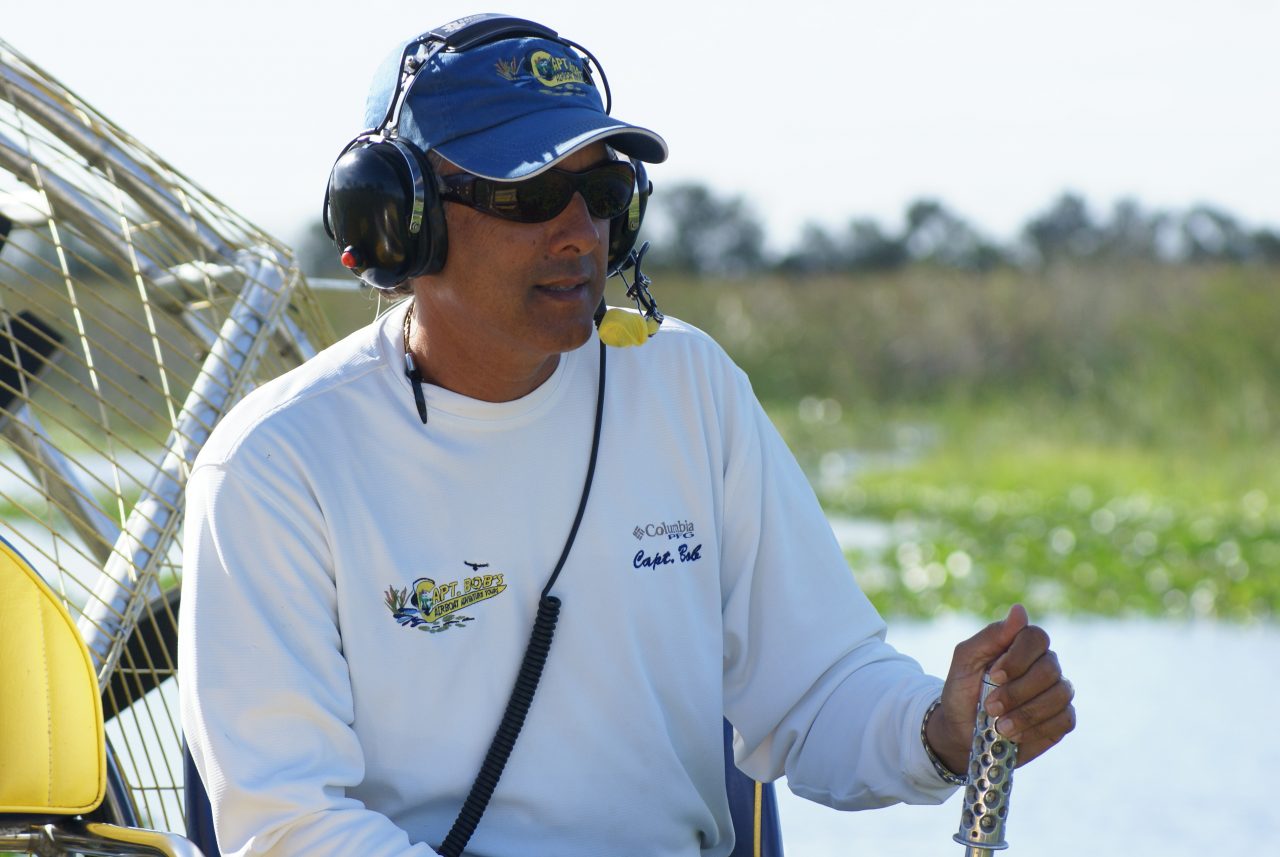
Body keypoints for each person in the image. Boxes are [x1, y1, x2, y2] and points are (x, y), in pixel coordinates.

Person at [178, 14, 1074, 857]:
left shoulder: (689, 386)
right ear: (399, 219)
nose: (582, 234)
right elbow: (288, 824)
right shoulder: (273, 465)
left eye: (603, 192)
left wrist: (943, 726)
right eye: (531, 195)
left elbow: (816, 688)